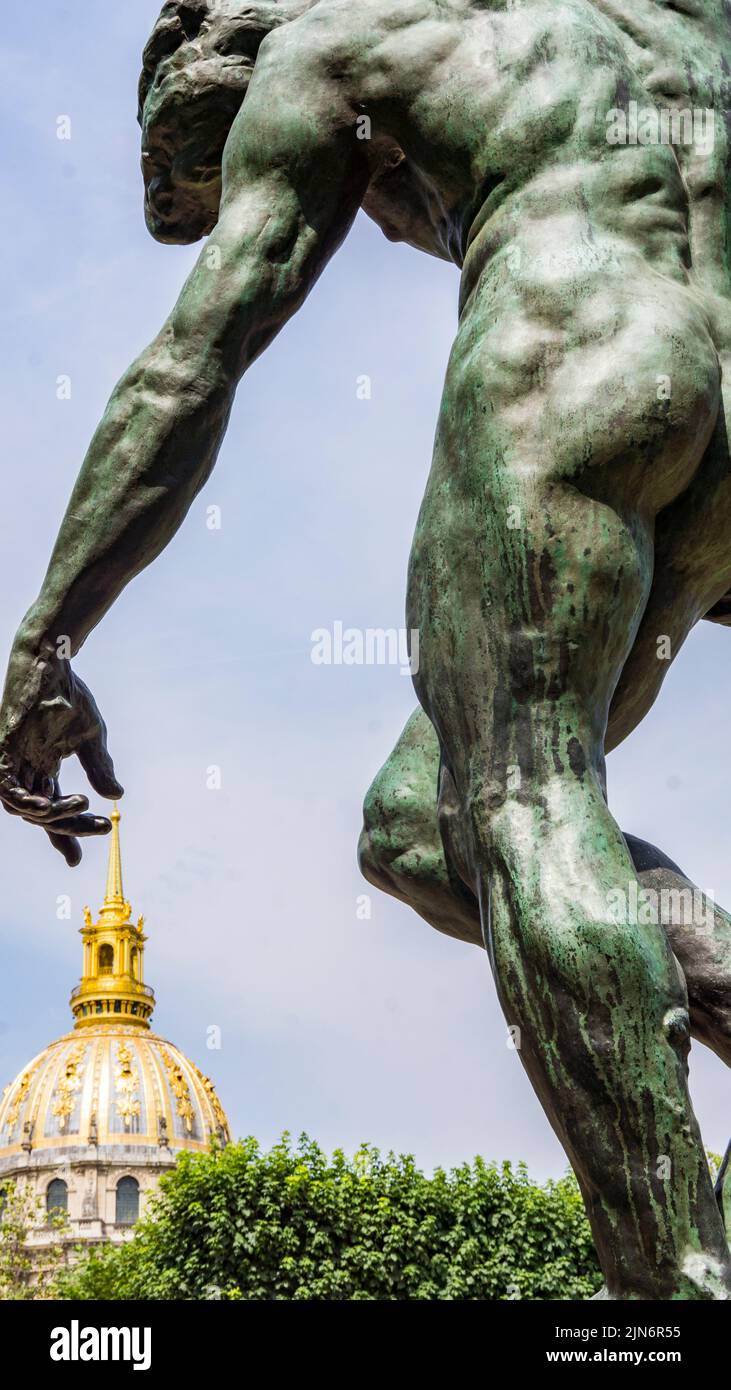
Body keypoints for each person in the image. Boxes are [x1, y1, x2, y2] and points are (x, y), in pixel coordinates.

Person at [2, 0, 730, 1296]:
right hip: (716, 399)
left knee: (522, 793)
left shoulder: (329, 47)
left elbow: (190, 368)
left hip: (592, 360)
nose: (384, 225)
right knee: (417, 813)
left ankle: (677, 1297)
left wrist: (45, 636)